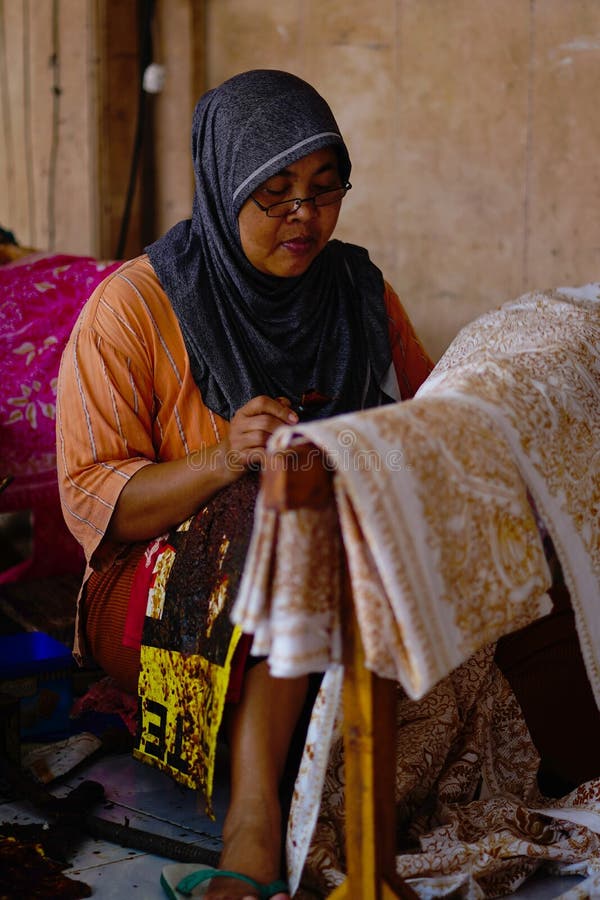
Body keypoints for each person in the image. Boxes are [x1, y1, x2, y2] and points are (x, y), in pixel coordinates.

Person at [56, 69, 433, 900]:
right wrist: (225, 456)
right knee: (280, 499)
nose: (306, 215)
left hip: (330, 573)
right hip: (150, 595)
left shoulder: (360, 293)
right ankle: (254, 825)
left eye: (325, 190)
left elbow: (429, 422)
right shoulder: (135, 309)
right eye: (276, 194)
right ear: (223, 184)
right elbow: (95, 502)